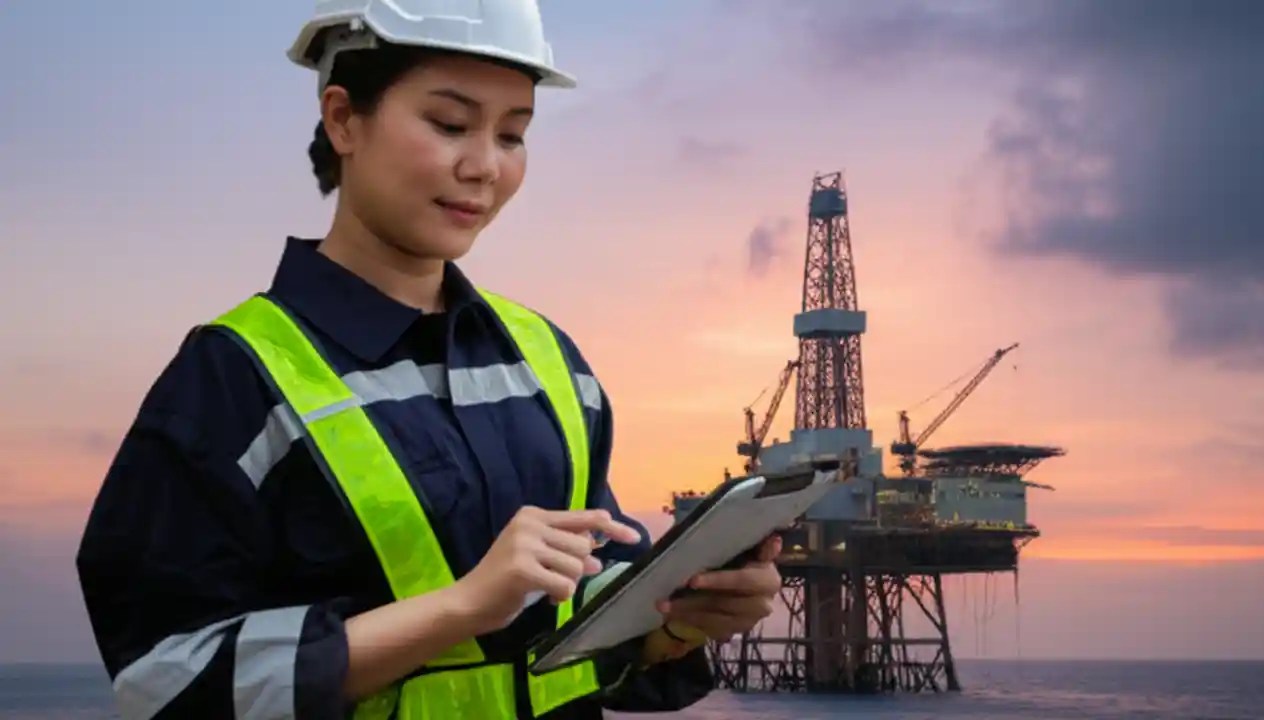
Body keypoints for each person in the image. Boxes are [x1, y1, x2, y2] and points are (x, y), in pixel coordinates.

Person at [74, 1, 784, 718]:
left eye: (513, 135)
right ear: (343, 118)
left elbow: (581, 601)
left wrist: (673, 622)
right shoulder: (232, 377)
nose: (483, 167)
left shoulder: (550, 363)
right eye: (449, 125)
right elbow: (161, 680)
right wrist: (463, 607)